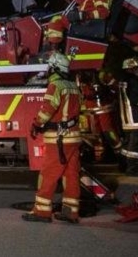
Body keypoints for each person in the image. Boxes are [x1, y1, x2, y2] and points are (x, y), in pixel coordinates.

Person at [22, 51, 84, 223]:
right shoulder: (73, 86)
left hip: (59, 139)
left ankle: (42, 212)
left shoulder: (55, 86)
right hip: (73, 136)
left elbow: (48, 109)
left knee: (49, 173)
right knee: (71, 174)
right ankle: (71, 212)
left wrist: (36, 124)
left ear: (55, 68)